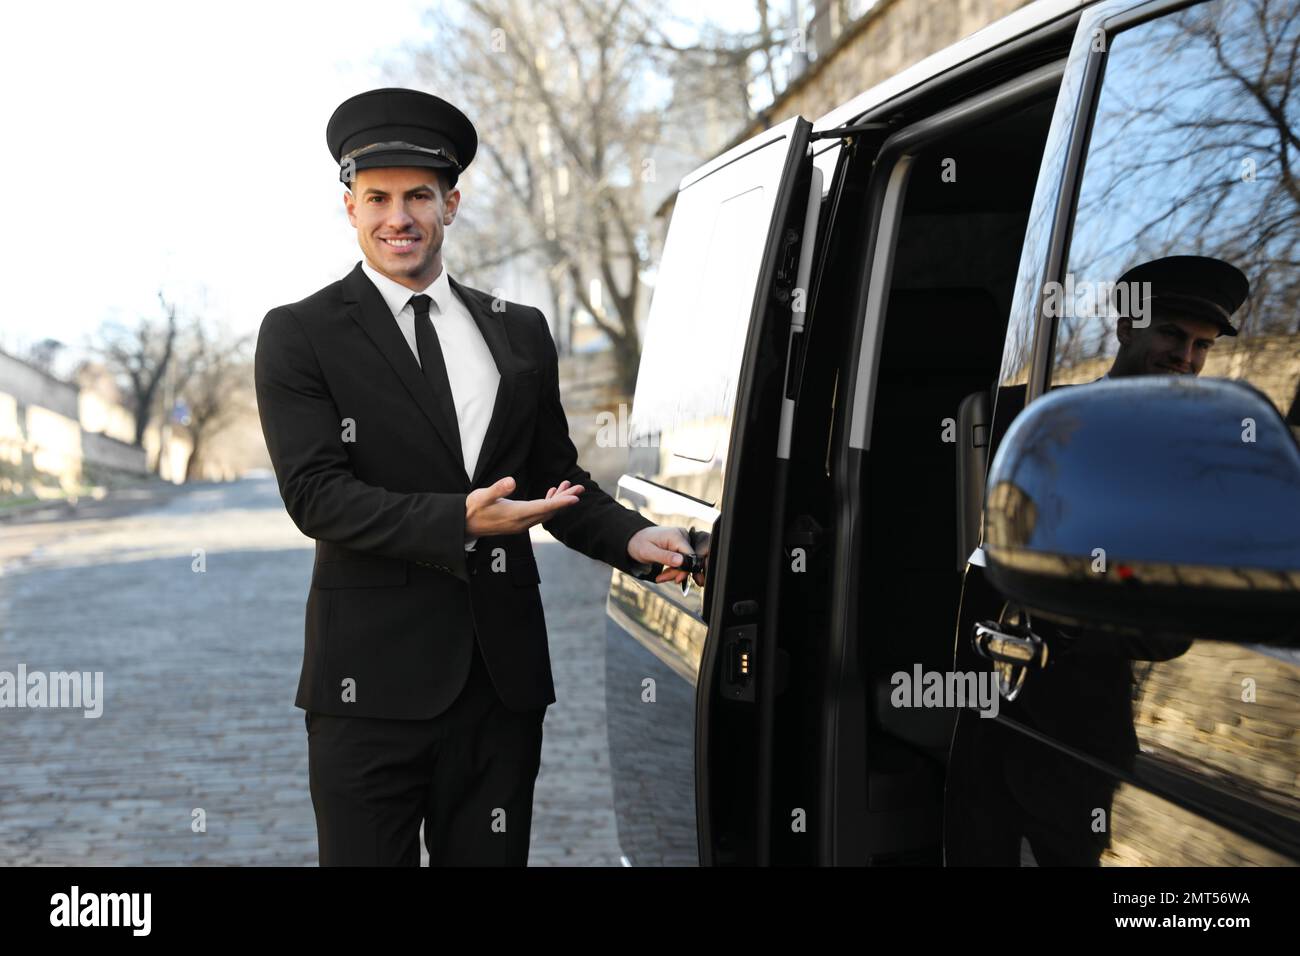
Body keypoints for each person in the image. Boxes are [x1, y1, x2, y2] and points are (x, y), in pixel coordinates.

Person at [254, 87, 700, 866]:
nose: (400, 217)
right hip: (368, 692)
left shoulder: (518, 331)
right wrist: (458, 520)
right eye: (378, 198)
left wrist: (635, 537)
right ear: (350, 209)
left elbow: (557, 483)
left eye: (419, 196)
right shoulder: (301, 335)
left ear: (450, 203)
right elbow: (315, 495)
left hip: (499, 688)